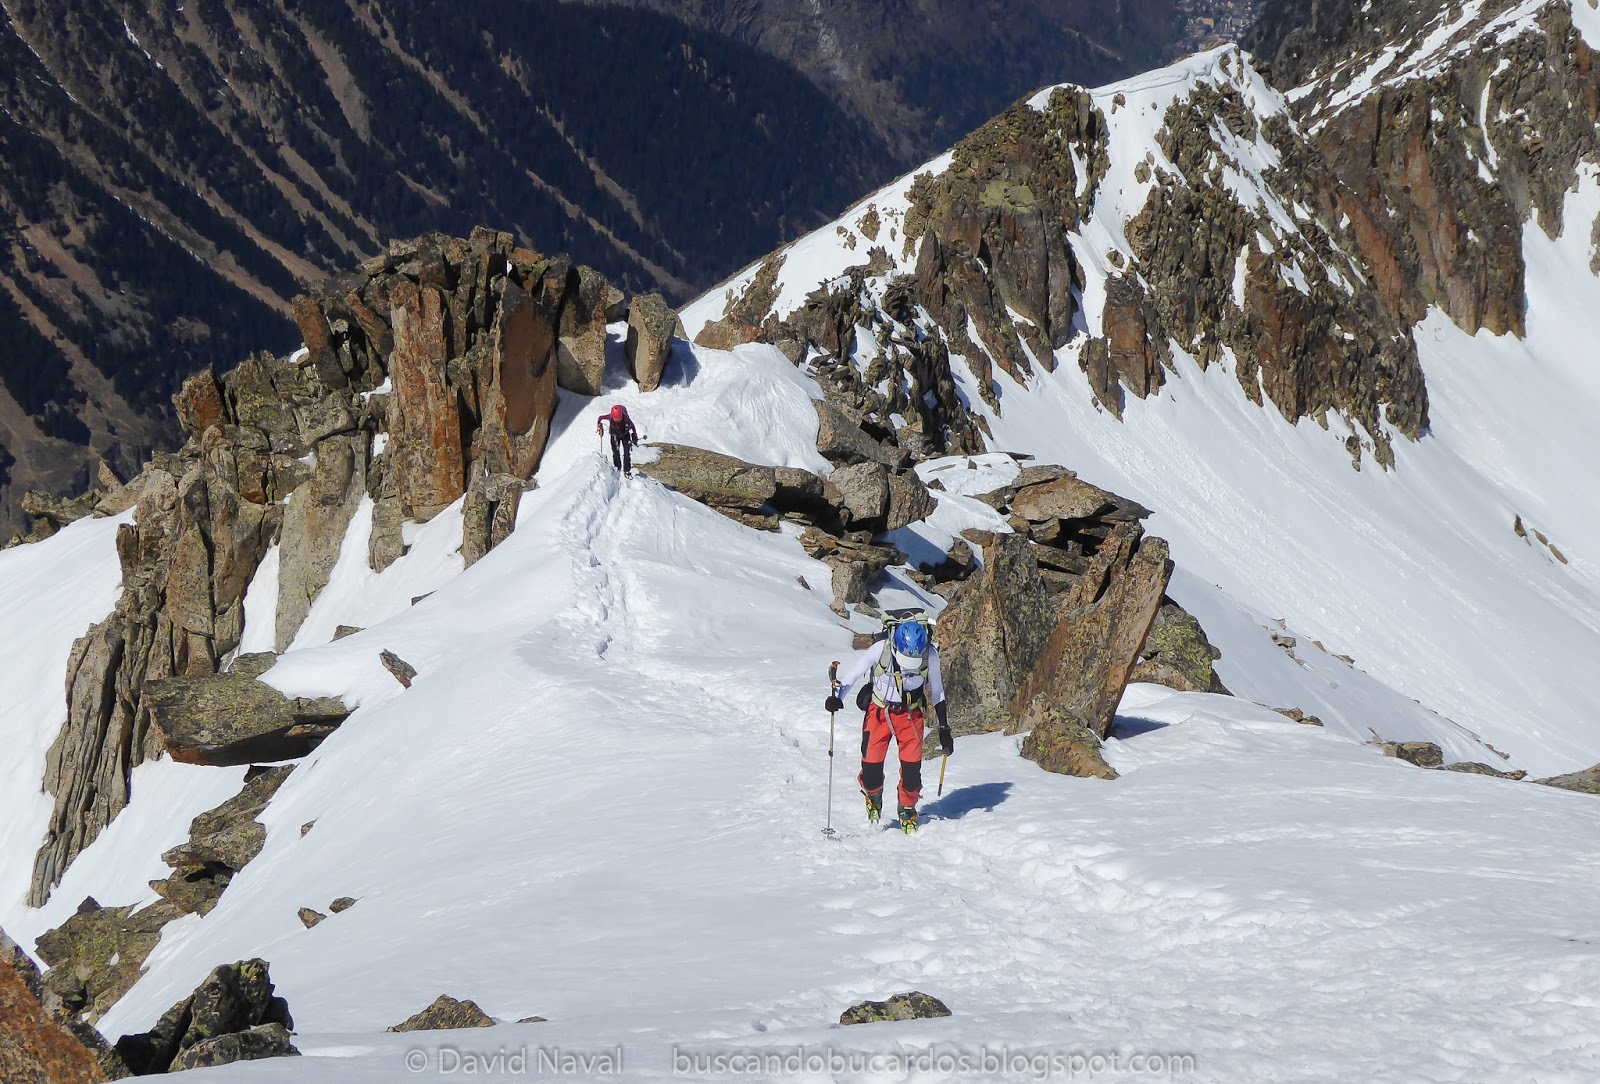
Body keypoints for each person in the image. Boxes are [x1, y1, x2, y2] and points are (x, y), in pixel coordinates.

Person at [825, 614, 953, 833]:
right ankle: (873, 795)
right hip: (879, 713)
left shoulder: (929, 654)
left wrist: (944, 727)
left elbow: (938, 690)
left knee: (912, 772)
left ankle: (907, 808)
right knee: (871, 767)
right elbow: (853, 675)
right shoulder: (881, 649)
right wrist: (837, 698)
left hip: (910, 716)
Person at [596, 404, 639, 473]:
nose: (618, 421)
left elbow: (633, 427)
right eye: (616, 419)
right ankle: (617, 469)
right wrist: (599, 424)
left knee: (627, 453)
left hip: (625, 435)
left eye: (619, 419)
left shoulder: (626, 417)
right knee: (616, 452)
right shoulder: (610, 416)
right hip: (614, 435)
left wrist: (634, 437)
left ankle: (627, 470)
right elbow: (600, 418)